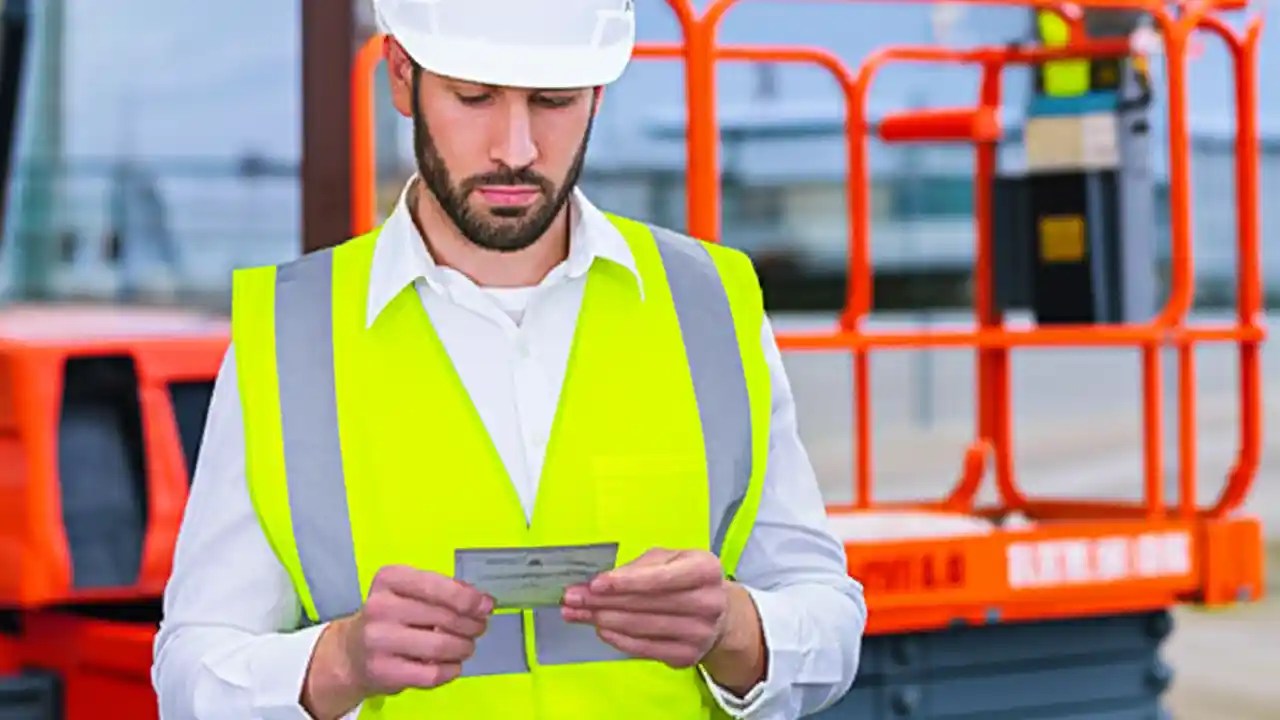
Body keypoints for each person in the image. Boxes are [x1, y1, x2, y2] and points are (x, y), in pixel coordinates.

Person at [151, 0, 866, 717]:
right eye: (474, 97)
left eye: (553, 101)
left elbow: (830, 618)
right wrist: (336, 663)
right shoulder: (292, 334)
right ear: (402, 76)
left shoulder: (708, 305)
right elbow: (190, 672)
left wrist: (735, 629)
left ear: (597, 93)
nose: (516, 149)